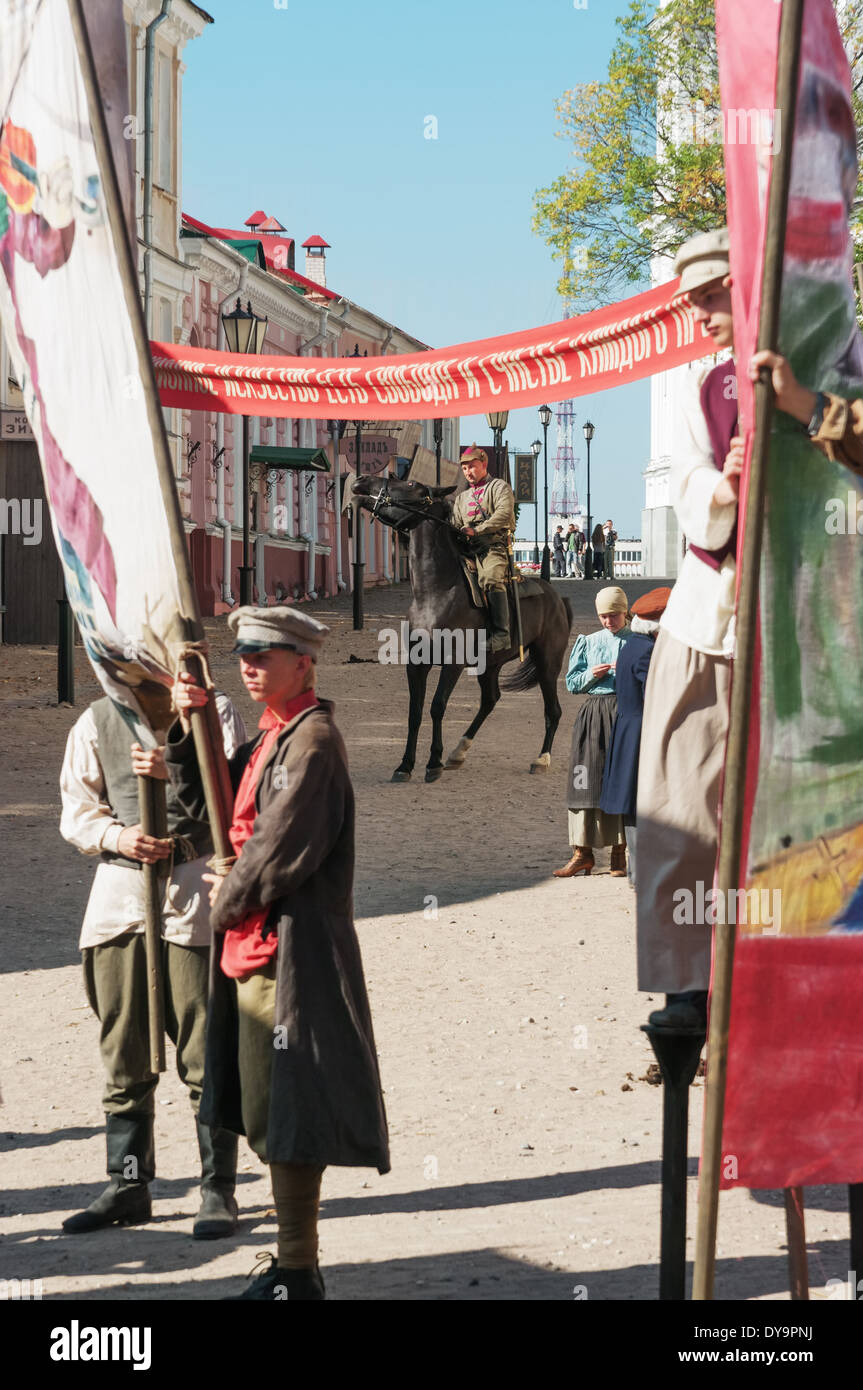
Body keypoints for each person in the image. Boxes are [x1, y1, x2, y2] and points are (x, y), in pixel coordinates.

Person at [165, 606, 390, 1300]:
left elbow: (278, 851)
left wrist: (226, 892)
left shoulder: (312, 742)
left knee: (290, 1110)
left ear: (305, 662)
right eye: (244, 655)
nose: (250, 664)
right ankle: (295, 1262)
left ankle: (298, 1266)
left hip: (290, 945)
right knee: (266, 1107)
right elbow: (213, 806)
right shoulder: (272, 735)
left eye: (266, 654)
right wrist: (189, 724)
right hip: (255, 941)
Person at [59, 689, 247, 1238]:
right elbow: (77, 811)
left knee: (205, 1047)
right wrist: (120, 836)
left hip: (194, 895)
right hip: (121, 902)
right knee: (125, 1054)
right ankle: (128, 1185)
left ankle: (218, 1189)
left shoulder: (216, 712)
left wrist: (178, 767)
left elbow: (238, 800)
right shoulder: (98, 719)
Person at [554, 586, 630, 879]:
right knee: (583, 778)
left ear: (625, 611)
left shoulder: (637, 641)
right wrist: (591, 675)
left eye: (613, 615)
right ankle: (581, 854)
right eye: (603, 616)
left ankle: (618, 853)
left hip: (623, 713)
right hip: (593, 714)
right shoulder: (588, 641)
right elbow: (572, 683)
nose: (608, 621)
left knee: (620, 780)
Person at [599, 587, 671, 887]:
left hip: (630, 728)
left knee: (633, 802)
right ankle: (641, 873)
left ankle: (637, 871)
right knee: (643, 802)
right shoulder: (647, 651)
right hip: (643, 732)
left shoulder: (633, 645)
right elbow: (659, 695)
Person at [452, 444, 517, 651]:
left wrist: (478, 530)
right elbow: (455, 523)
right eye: (464, 469)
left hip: (493, 546)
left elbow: (504, 514)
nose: (468, 472)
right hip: (467, 548)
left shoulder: (499, 487)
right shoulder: (461, 497)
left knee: (489, 577)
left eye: (472, 466)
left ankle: (501, 634)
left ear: (484, 465)